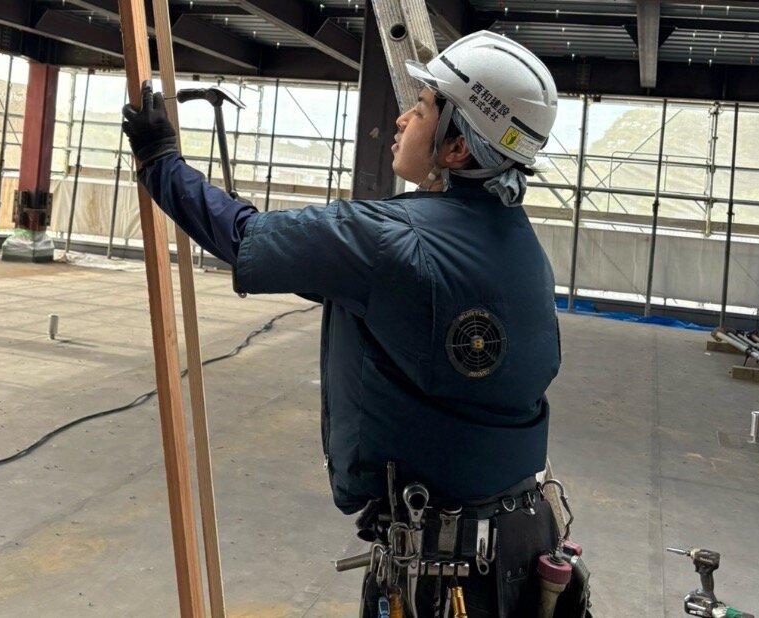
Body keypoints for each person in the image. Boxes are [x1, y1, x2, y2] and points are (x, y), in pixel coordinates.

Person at [123, 30, 585, 618]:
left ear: (456, 149)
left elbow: (246, 238)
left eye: (421, 110)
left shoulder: (389, 241)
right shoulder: (524, 250)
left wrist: (160, 161)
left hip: (439, 578)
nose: (401, 120)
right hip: (521, 549)